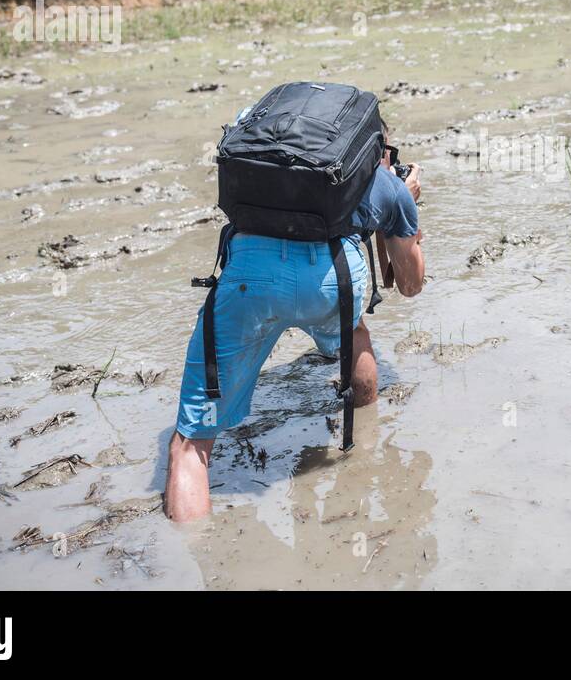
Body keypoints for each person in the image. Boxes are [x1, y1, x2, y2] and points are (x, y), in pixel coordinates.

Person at [165, 129, 424, 522]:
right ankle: (365, 440)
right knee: (354, 332)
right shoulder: (387, 186)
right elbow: (410, 285)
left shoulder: (273, 168)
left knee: (190, 445)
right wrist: (408, 209)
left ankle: (188, 558)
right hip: (331, 284)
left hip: (252, 283)